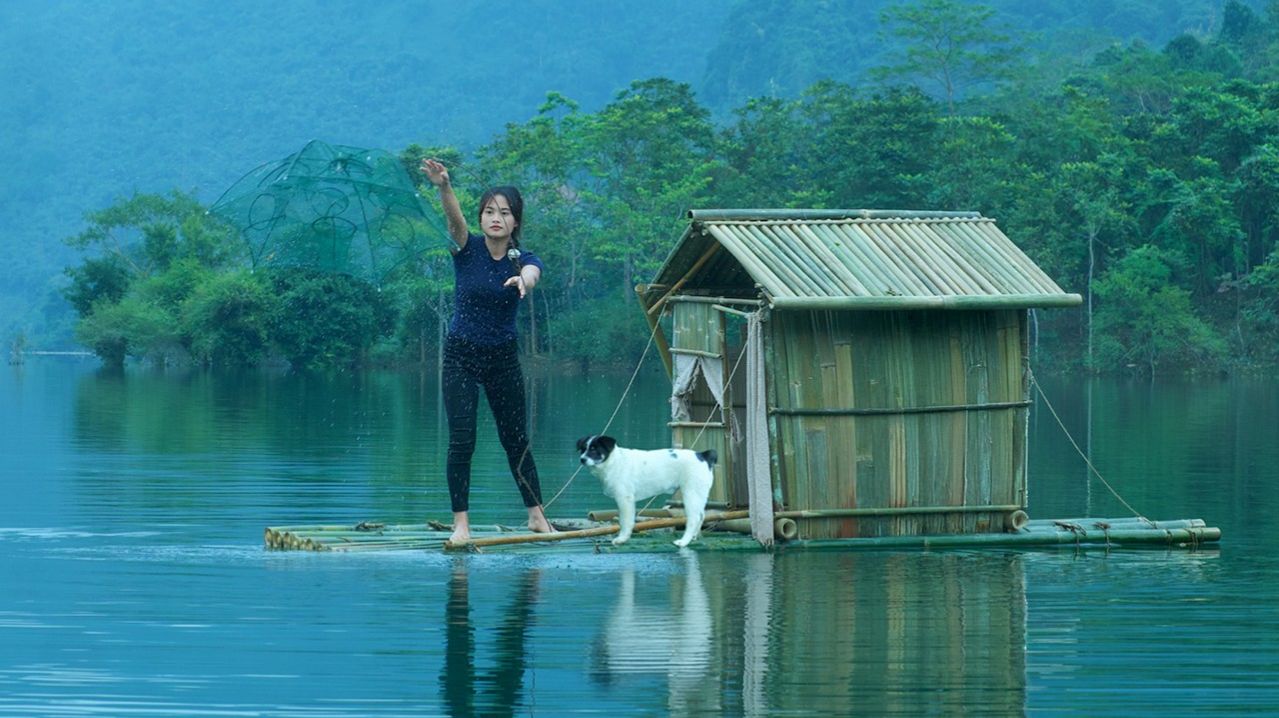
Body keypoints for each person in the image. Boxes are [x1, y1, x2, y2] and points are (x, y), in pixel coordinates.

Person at [421, 158, 553, 544]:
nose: (496, 218)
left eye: (505, 213)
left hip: (502, 358)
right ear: (481, 217)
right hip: (461, 354)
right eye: (489, 211)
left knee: (516, 439)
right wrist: (444, 186)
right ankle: (461, 524)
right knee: (462, 439)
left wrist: (522, 281)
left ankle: (537, 516)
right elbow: (454, 223)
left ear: (516, 222)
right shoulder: (466, 249)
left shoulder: (522, 260)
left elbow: (532, 273)